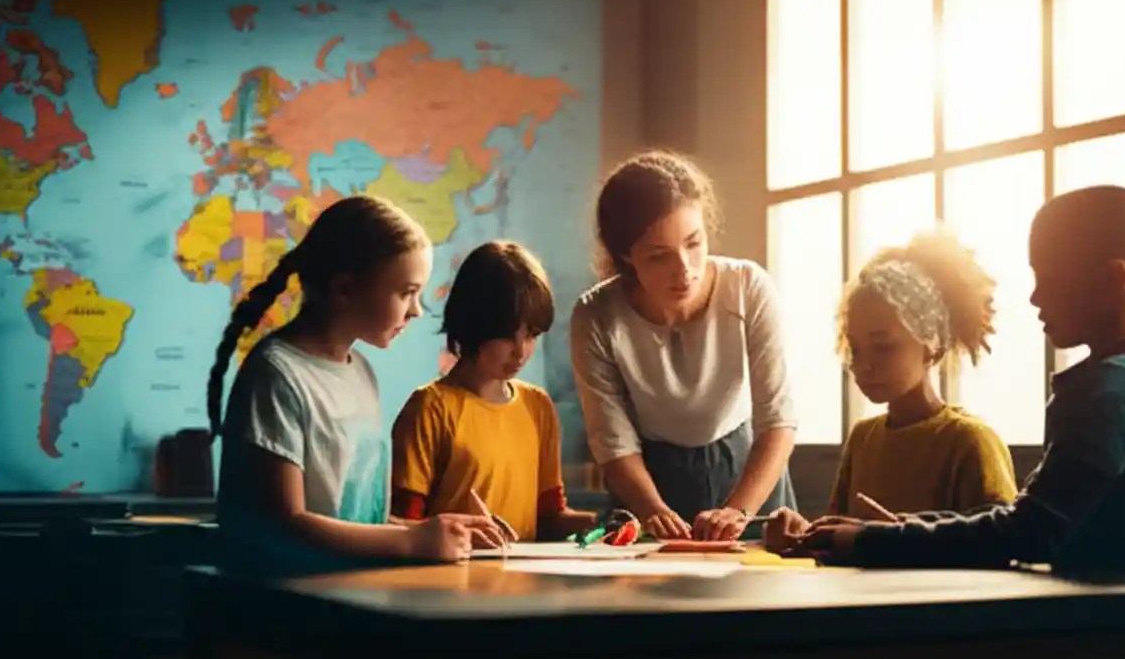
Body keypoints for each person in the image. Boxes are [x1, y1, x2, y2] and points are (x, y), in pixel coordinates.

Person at [799, 185, 1125, 572]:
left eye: (1049, 279)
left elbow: (1029, 530)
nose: (1035, 297)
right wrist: (894, 530)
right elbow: (1025, 516)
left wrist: (870, 541)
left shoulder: (1117, 388)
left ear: (1112, 280)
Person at [211, 194, 499, 577]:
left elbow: (355, 518)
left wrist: (442, 531)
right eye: (407, 293)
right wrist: (411, 542)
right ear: (345, 289)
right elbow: (286, 523)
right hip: (286, 601)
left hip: (351, 590)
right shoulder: (277, 374)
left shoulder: (361, 372)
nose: (416, 310)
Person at [570, 149, 798, 542]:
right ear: (625, 256)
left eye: (694, 243)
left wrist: (739, 510)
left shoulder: (747, 288)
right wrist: (653, 510)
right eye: (659, 256)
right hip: (649, 479)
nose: (684, 270)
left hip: (750, 471)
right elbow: (613, 442)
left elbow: (777, 418)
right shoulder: (596, 316)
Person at [764, 230, 1017, 551]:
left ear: (932, 344)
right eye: (855, 349)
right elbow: (840, 537)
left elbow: (1002, 544)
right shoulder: (863, 438)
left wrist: (895, 536)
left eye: (883, 347)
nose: (863, 365)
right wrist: (801, 534)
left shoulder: (970, 441)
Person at [391, 241, 598, 541]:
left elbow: (550, 516)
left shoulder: (536, 406)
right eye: (506, 336)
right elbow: (403, 525)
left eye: (531, 335)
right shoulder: (430, 409)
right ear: (474, 324)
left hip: (520, 569)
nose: (521, 352)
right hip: (450, 569)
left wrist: (603, 522)